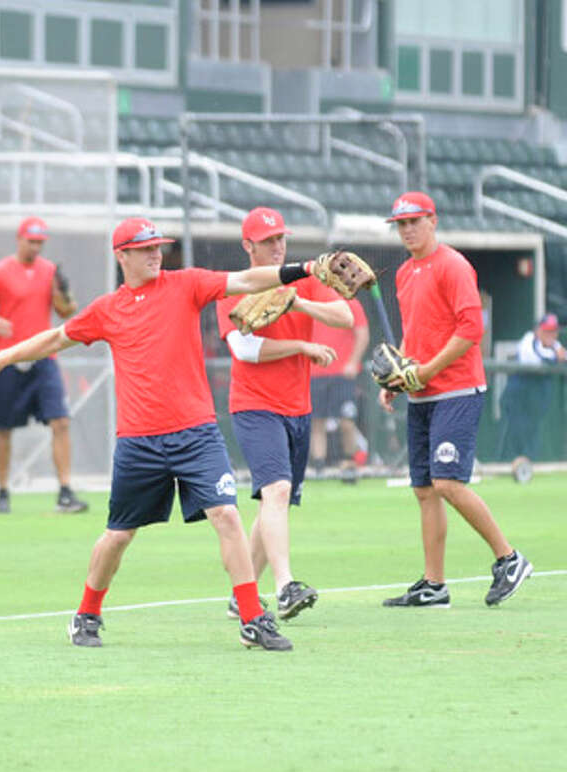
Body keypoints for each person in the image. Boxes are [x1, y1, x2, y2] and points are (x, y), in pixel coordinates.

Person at [0, 217, 334, 652]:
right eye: (144, 248)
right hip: (140, 441)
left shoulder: (187, 285)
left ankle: (253, 618)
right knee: (119, 535)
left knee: (228, 516)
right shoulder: (109, 309)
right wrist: (1, 358)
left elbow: (245, 279)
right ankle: (86, 613)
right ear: (122, 255)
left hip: (197, 433)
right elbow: (54, 339)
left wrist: (305, 268)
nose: (155, 253)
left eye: (157, 246)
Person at [377, 191, 532, 608]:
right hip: (423, 394)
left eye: (414, 221)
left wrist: (426, 371)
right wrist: (399, 376)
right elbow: (413, 332)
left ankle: (510, 559)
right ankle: (434, 584)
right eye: (401, 224)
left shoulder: (453, 265)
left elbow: (470, 330)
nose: (407, 230)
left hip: (457, 390)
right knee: (425, 489)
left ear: (433, 221)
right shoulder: (406, 273)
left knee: (447, 482)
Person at [214, 207, 351, 621]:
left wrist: (297, 303)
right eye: (267, 240)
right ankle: (285, 586)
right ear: (248, 245)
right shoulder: (235, 287)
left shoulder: (303, 279)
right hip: (255, 405)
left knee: (275, 502)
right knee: (274, 492)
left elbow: (344, 316)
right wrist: (301, 347)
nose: (277, 246)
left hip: (298, 407)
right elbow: (243, 349)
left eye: (280, 239)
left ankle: (244, 594)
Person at [0, 217, 88, 514]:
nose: (35, 246)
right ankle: (3, 491)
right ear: (20, 239)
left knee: (60, 421)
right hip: (7, 359)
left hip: (43, 357)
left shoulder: (49, 271)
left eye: (40, 242)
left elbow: (65, 311)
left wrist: (64, 293)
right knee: (3, 428)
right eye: (31, 241)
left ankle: (64, 491)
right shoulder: (0, 271)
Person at [310, 295, 370, 480]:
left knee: (347, 421)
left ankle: (348, 463)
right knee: (316, 422)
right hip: (314, 373)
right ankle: (319, 466)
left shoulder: (350, 303)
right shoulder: (310, 303)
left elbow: (363, 334)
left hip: (342, 374)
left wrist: (353, 362)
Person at [496, 313, 566, 463]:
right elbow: (534, 358)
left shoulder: (556, 345)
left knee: (532, 439)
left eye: (553, 331)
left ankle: (528, 468)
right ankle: (501, 467)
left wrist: (559, 355)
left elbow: (562, 355)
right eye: (546, 330)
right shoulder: (528, 340)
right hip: (516, 401)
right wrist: (556, 356)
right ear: (538, 330)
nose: (550, 334)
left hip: (536, 405)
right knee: (511, 438)